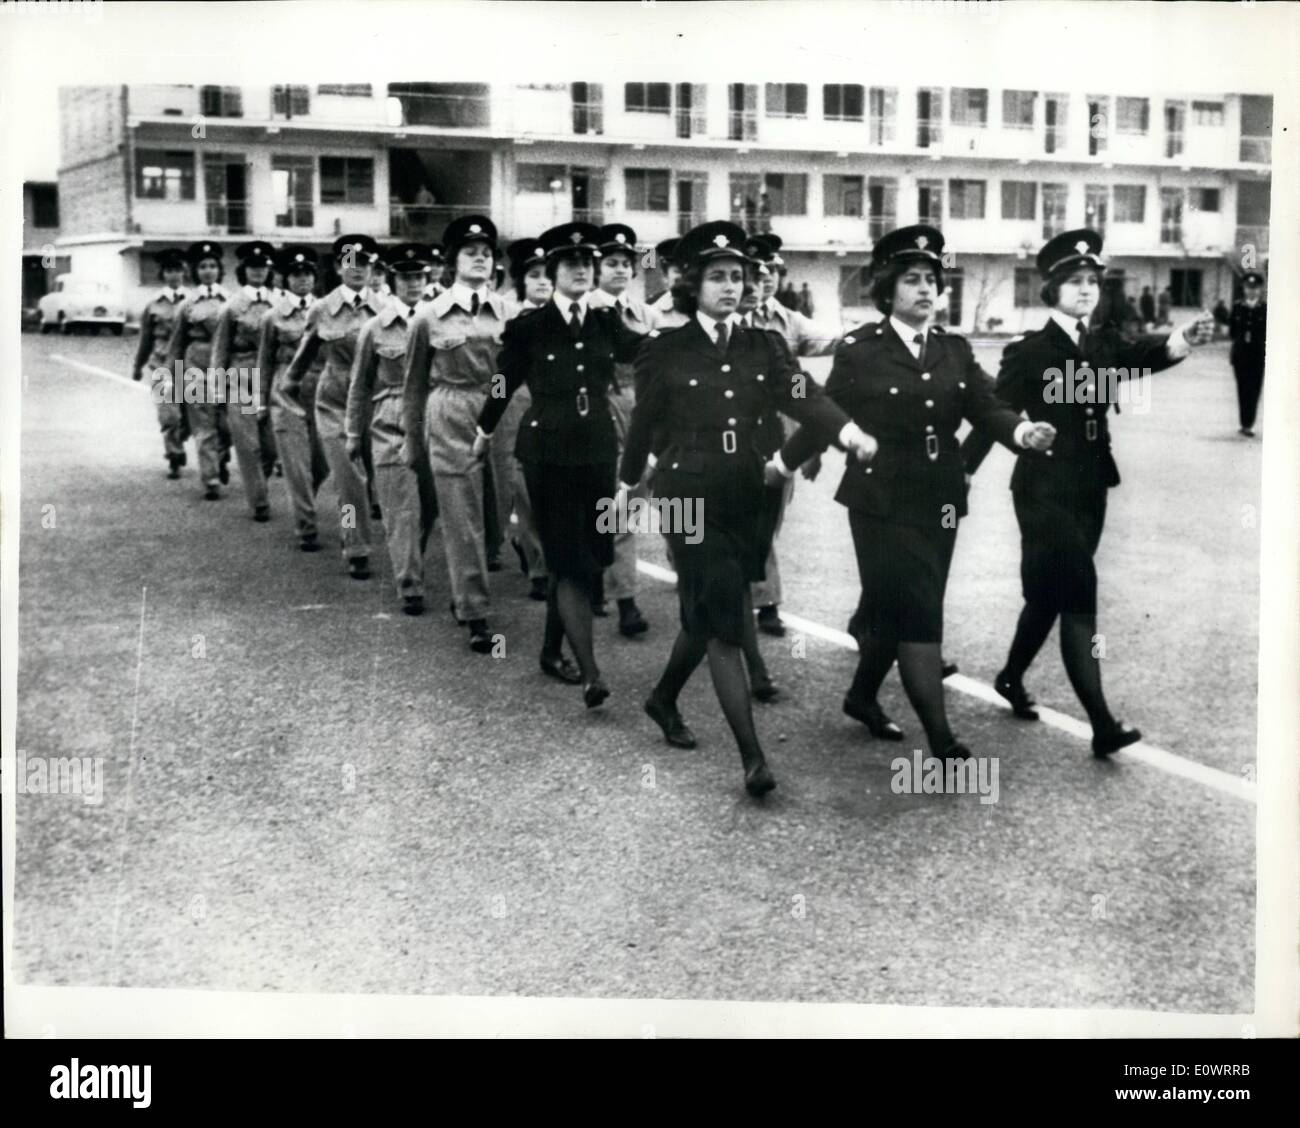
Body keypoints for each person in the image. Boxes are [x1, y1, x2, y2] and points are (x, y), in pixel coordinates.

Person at [775, 224, 1056, 761]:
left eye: (931, 280)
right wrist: (786, 462)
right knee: (920, 609)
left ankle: (860, 696)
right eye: (912, 280)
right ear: (888, 290)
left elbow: (987, 405)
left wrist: (1022, 433)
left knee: (891, 608)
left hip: (941, 495)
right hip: (880, 499)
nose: (925, 289)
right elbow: (826, 412)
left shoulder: (953, 348)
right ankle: (941, 738)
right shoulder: (861, 348)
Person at [619, 220, 874, 797]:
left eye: (738, 276)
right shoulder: (663, 348)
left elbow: (803, 395)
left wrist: (847, 431)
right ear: (692, 285)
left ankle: (662, 699)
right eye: (718, 277)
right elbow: (642, 425)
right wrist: (627, 484)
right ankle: (752, 758)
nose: (731, 287)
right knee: (727, 623)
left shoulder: (765, 344)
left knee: (713, 609)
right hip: (687, 496)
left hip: (748, 493)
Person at [961, 229, 1214, 756]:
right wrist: (961, 474)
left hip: (1092, 485)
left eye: (1092, 281)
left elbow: (1142, 356)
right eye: (1074, 282)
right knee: (1078, 592)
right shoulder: (1028, 351)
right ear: (1050, 291)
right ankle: (1102, 724)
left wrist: (1183, 339)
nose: (1085, 290)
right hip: (1044, 487)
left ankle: (1009, 676)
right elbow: (993, 415)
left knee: (1050, 594)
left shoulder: (1101, 341)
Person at [475, 221, 646, 704]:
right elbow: (503, 382)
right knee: (568, 558)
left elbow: (641, 350)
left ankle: (551, 651)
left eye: (587, 265)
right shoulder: (529, 325)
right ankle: (591, 673)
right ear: (552, 270)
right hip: (547, 453)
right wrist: (484, 429)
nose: (581, 271)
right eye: (572, 264)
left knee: (588, 559)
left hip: (596, 449)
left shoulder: (606, 320)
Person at [402, 215, 509, 652]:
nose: (480, 259)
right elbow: (413, 387)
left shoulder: (509, 312)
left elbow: (514, 372)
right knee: (462, 518)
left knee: (497, 515)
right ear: (452, 262)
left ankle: (468, 592)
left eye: (486, 253)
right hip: (449, 411)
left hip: (498, 410)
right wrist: (413, 443)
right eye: (470, 252)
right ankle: (474, 611)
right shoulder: (427, 317)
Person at [741, 233, 840, 639]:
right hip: (719, 430)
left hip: (774, 431)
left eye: (773, 271)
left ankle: (760, 595)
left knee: (768, 517)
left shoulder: (788, 322)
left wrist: (809, 442)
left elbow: (805, 381)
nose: (765, 279)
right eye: (756, 271)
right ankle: (758, 599)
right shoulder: (706, 313)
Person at [282, 234, 382, 579]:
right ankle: (355, 545)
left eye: (365, 263)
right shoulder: (321, 309)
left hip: (374, 402)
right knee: (349, 481)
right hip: (335, 401)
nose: (358, 270)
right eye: (350, 263)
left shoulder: (386, 308)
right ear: (339, 267)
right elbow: (306, 352)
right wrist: (290, 384)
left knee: (381, 480)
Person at [345, 243, 438, 615]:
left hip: (434, 420)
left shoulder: (438, 319)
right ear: (393, 280)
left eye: (419, 276)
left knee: (429, 507)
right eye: (405, 277)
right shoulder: (375, 327)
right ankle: (409, 582)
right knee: (401, 508)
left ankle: (411, 557)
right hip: (390, 420)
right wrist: (353, 432)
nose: (413, 283)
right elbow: (360, 384)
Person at [588, 222, 652, 637]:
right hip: (596, 409)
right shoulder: (586, 310)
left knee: (626, 504)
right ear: (597, 269)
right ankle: (614, 592)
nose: (621, 271)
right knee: (606, 505)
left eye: (627, 264)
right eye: (611, 263)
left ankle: (620, 594)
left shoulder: (644, 313)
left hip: (637, 409)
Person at [257, 245, 329, 552]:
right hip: (286, 392)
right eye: (296, 274)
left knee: (322, 464)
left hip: (323, 391)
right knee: (297, 465)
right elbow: (265, 361)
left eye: (308, 273)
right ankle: (306, 526)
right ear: (284, 279)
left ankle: (305, 504)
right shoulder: (273, 317)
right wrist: (260, 402)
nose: (303, 279)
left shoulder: (328, 310)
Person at [493, 237, 550, 602]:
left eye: (549, 275)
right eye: (535, 275)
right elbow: (498, 375)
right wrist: (493, 412)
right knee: (524, 491)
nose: (544, 282)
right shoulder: (508, 319)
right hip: (517, 408)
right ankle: (539, 566)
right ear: (521, 282)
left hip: (557, 410)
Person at [212, 240, 279, 522]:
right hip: (242, 376)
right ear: (243, 270)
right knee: (249, 443)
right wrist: (217, 388)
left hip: (274, 378)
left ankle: (259, 482)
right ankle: (259, 500)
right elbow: (220, 349)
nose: (258, 271)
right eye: (252, 266)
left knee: (271, 446)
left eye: (262, 266)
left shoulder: (280, 302)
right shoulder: (231, 307)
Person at [164, 241, 230, 501]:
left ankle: (222, 456)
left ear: (220, 270)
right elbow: (176, 344)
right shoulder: (187, 304)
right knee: (203, 425)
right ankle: (210, 478)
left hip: (232, 367)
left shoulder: (233, 301)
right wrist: (169, 378)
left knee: (231, 425)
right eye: (202, 266)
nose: (208, 271)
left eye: (213, 265)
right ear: (194, 271)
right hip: (196, 365)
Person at [131, 248, 190, 478]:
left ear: (184, 273)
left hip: (189, 364)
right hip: (161, 363)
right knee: (169, 414)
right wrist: (138, 365)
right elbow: (145, 338)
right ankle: (174, 455)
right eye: (169, 271)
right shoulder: (153, 305)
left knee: (190, 415)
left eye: (178, 270)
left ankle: (181, 439)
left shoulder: (194, 300)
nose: (174, 275)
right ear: (163, 275)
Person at [1228, 271, 1267, 437]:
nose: (1251, 291)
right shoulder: (1238, 307)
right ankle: (1244, 423)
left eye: (1255, 288)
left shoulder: (1265, 309)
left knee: (1255, 388)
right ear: (1244, 289)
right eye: (1248, 288)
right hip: (1241, 355)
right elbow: (1232, 332)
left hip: (1258, 355)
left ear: (1259, 290)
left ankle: (1249, 424)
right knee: (1242, 388)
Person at [647, 237, 681, 318]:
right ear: (665, 276)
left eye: (688, 270)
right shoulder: (652, 308)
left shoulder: (709, 306)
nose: (684, 276)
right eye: (678, 271)